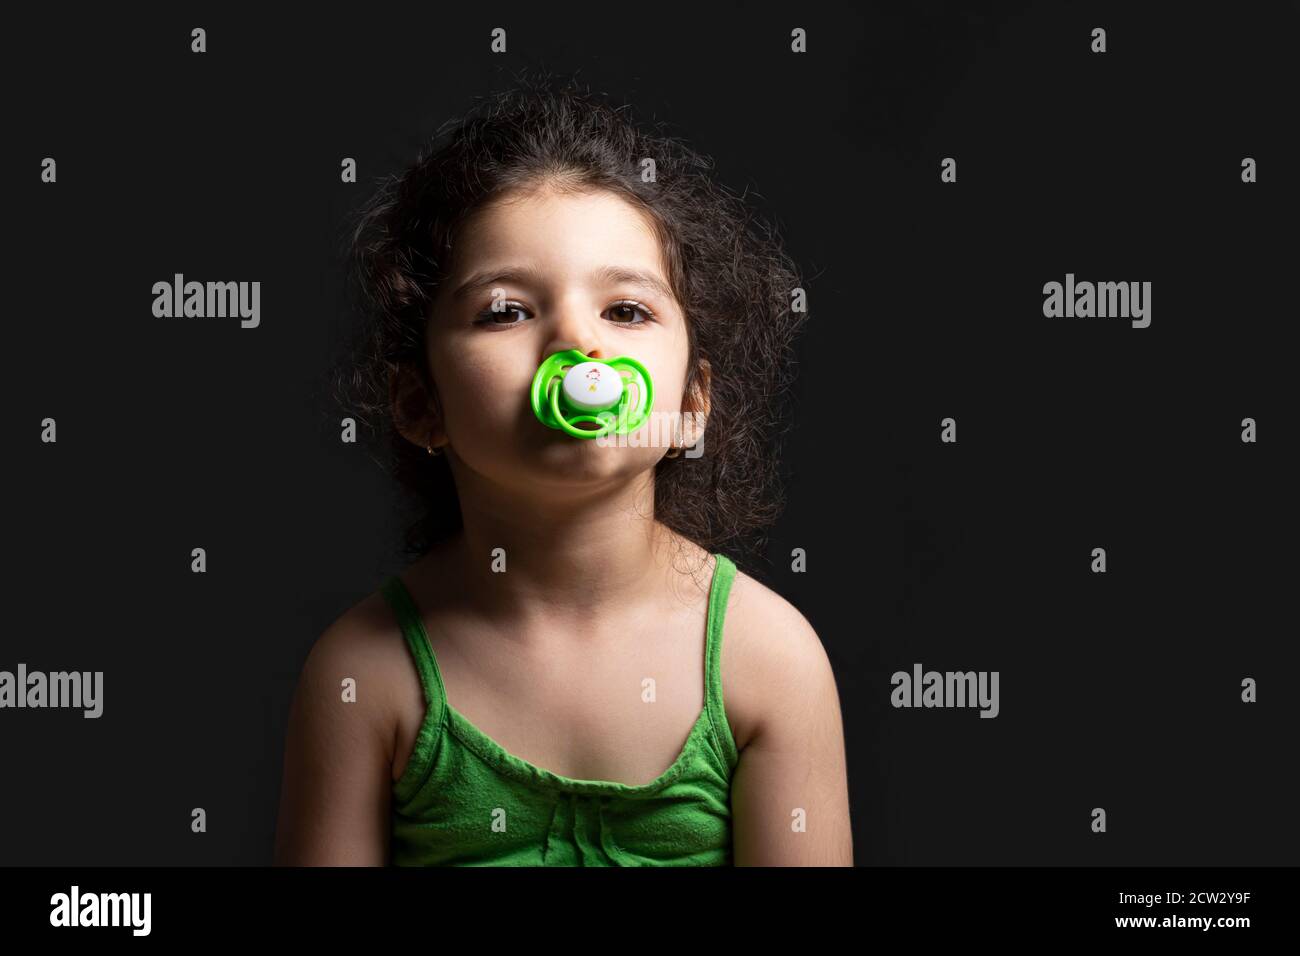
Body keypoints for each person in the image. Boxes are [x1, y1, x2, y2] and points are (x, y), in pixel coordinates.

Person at [274, 71, 853, 866]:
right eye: (507, 311)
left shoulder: (769, 660)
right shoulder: (364, 674)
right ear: (420, 405)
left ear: (692, 402)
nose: (581, 345)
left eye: (627, 310)